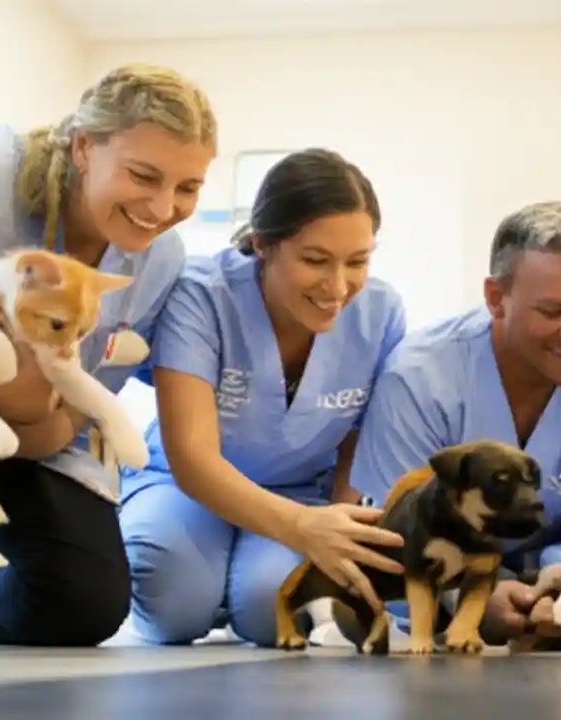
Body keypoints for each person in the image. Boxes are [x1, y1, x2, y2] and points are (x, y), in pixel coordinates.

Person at [0, 63, 217, 645]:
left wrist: (18, 417)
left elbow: (65, 421)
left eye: (188, 187)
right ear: (82, 147)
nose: (163, 206)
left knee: (83, 602)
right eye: (143, 175)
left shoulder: (160, 261)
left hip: (25, 436)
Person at [118, 148, 407, 647]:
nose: (338, 286)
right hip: (186, 487)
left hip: (301, 493)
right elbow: (192, 460)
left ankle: (230, 591)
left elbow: (358, 443)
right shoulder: (202, 295)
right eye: (315, 260)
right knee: (173, 607)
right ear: (263, 245)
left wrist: (336, 533)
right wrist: (300, 529)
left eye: (357, 261)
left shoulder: (381, 312)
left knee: (270, 614)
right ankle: (207, 590)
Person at [346, 200, 561, 645]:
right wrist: (475, 594)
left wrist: (553, 587)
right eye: (554, 312)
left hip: (554, 605)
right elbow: (399, 528)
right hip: (436, 596)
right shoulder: (419, 377)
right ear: (496, 299)